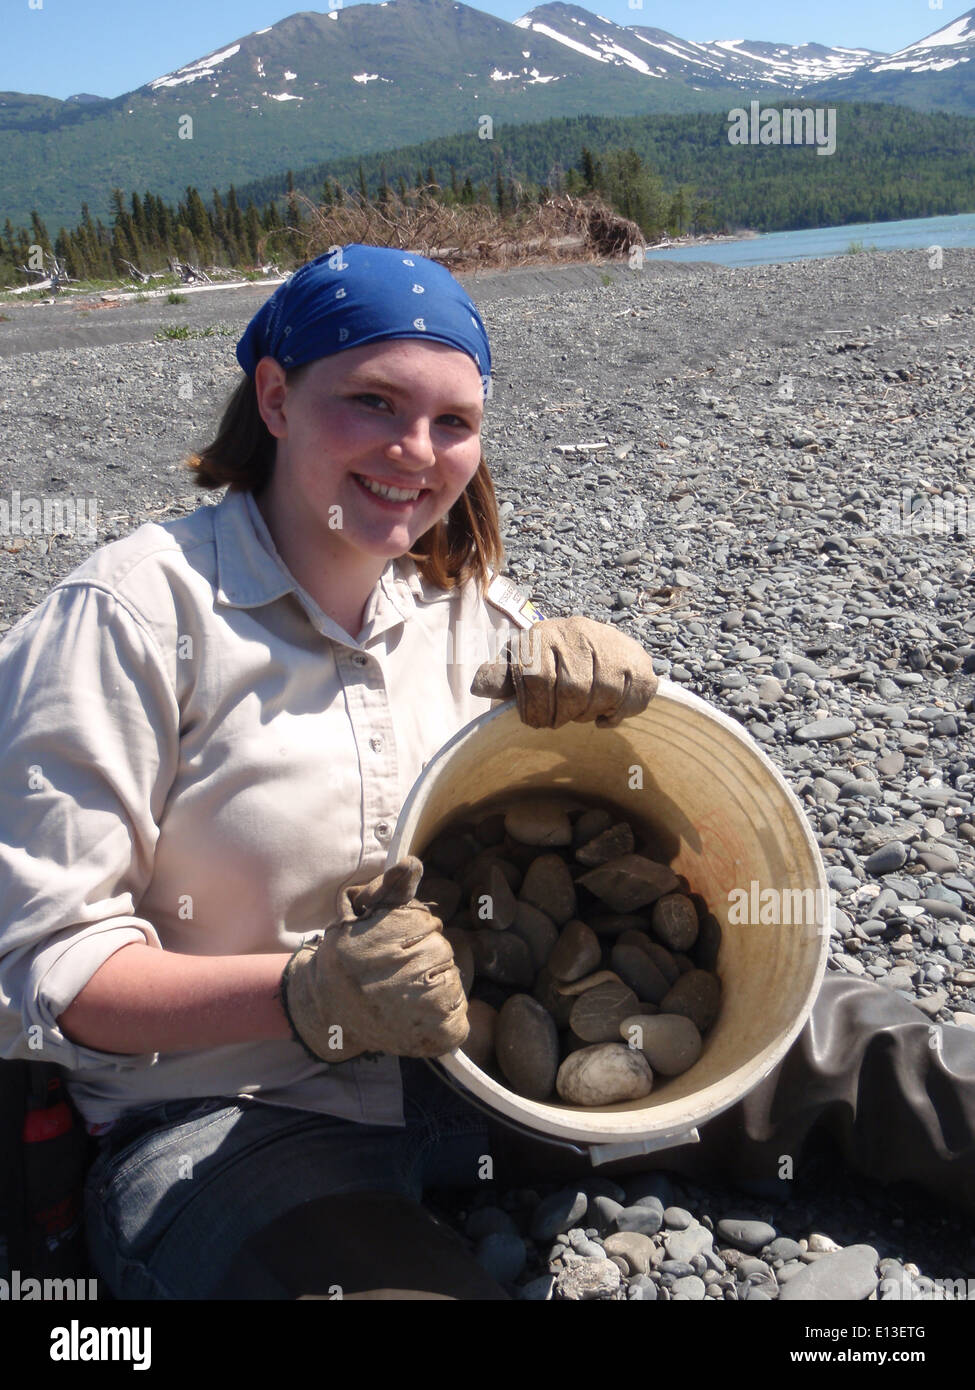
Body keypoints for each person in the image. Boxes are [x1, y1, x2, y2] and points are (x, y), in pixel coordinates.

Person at [0, 243, 972, 1301]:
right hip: (235, 1117)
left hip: (502, 1062)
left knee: (869, 1050)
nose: (415, 451)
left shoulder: (469, 610)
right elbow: (60, 972)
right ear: (275, 397)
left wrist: (618, 695)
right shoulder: (134, 619)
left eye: (452, 421)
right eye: (372, 402)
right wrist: (304, 990)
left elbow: (632, 799)